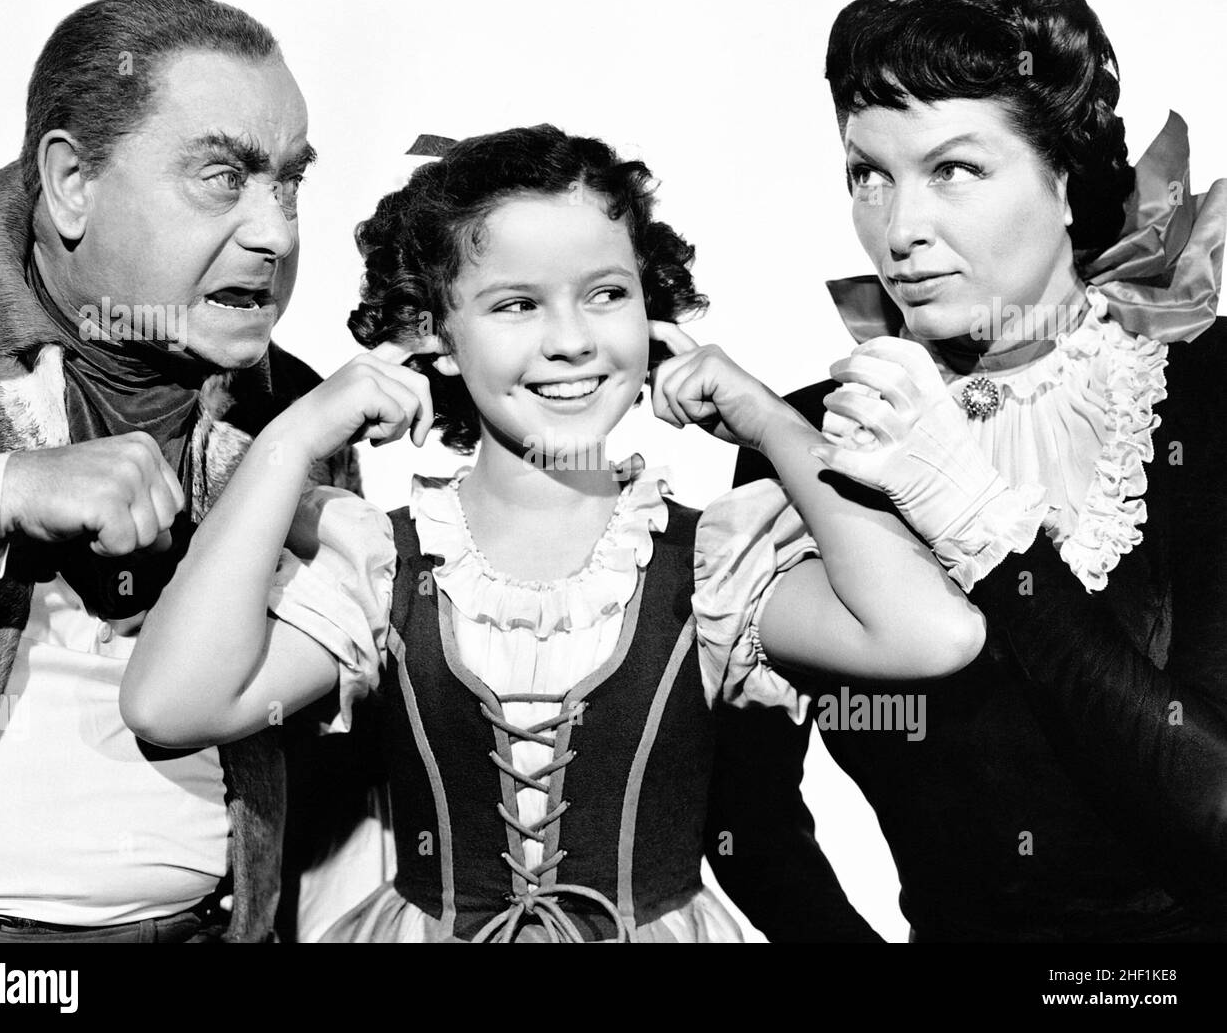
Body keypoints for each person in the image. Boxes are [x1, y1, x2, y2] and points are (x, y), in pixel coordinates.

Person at [121, 124, 987, 943]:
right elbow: (171, 704)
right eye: (516, 305)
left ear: (654, 311)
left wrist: (766, 419)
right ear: (436, 337)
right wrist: (296, 436)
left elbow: (932, 634)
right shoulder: (381, 561)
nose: (571, 340)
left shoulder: (711, 562)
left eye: (606, 294)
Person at [721, 0, 1227, 942]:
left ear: (1068, 181)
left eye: (954, 169)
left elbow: (1214, 814)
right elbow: (745, 813)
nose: (900, 229)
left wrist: (971, 511)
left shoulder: (1210, 395)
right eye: (868, 175)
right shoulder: (806, 438)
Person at [0, 0, 357, 943]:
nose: (276, 233)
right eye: (222, 177)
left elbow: (329, 766)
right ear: (73, 182)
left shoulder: (298, 412)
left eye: (289, 184)